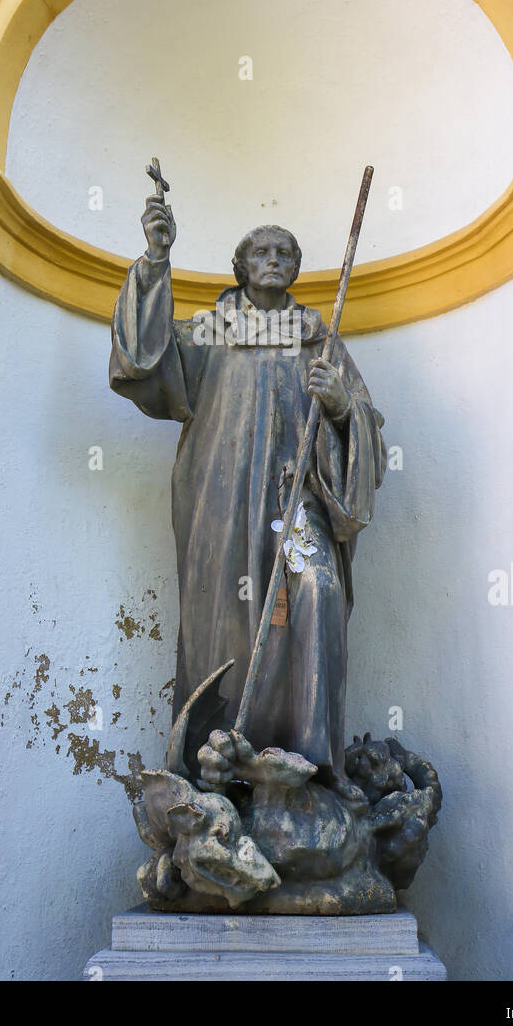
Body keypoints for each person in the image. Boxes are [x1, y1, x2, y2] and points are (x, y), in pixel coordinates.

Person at [109, 189, 387, 793]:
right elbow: (144, 363)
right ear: (239, 267)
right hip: (222, 503)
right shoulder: (210, 332)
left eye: (284, 252)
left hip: (297, 505)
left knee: (316, 591)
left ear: (296, 266)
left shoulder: (319, 337)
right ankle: (223, 773)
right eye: (259, 250)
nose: (273, 259)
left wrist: (341, 410)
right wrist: (156, 261)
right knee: (226, 625)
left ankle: (310, 770)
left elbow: (369, 431)